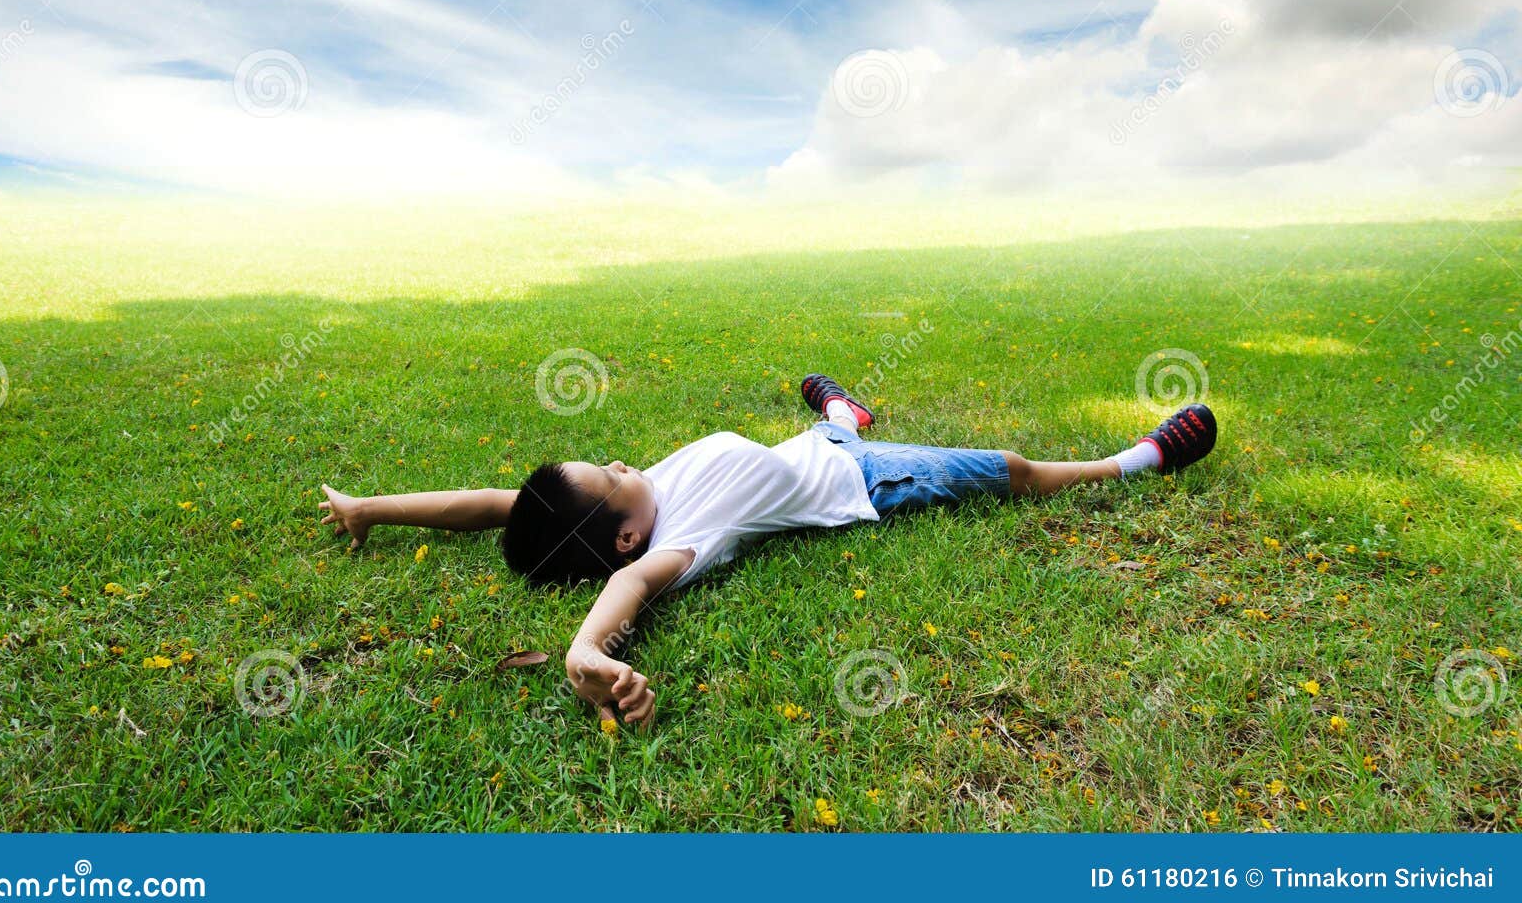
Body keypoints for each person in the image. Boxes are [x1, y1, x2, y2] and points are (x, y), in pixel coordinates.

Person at [318, 373, 1217, 730]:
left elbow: (490, 505)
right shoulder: (672, 541)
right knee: (1008, 468)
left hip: (815, 447)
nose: (619, 459)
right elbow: (631, 583)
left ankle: (841, 411)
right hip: (869, 482)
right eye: (608, 471)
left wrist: (372, 506)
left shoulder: (629, 502)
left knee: (826, 427)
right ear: (624, 531)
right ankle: (1135, 460)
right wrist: (585, 650)